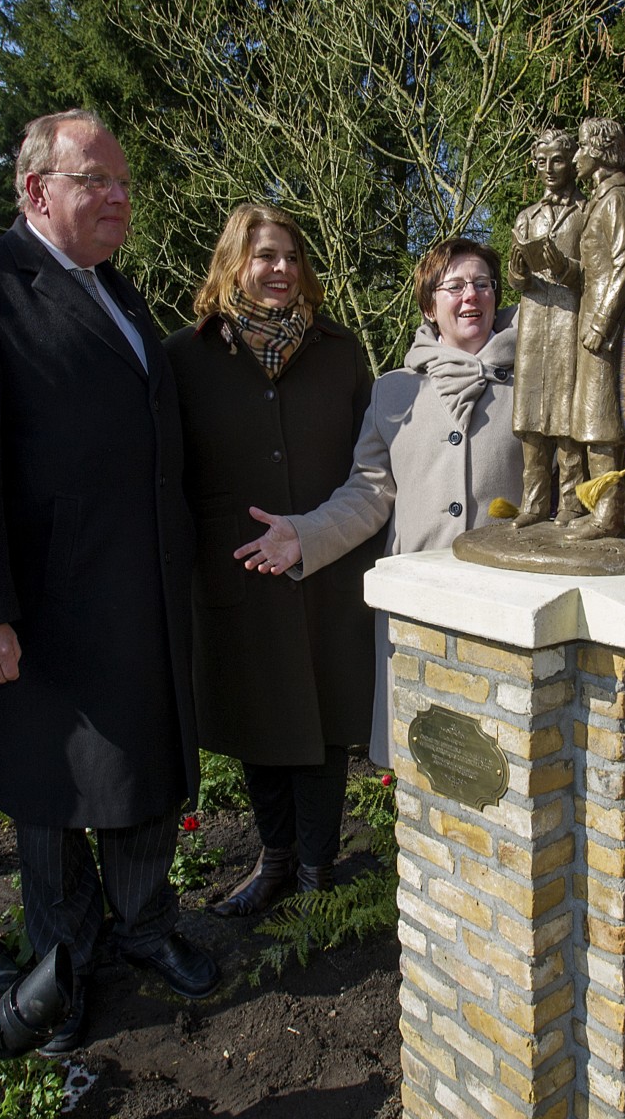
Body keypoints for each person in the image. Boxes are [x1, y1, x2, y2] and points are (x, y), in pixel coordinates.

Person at [0, 109, 215, 1054]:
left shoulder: (118, 292)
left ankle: (145, 923)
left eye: (123, 182)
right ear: (38, 190)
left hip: (140, 593)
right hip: (44, 605)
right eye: (97, 181)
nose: (119, 197)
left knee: (144, 769)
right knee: (56, 791)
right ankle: (60, 967)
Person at [163, 203, 378, 918]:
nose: (281, 270)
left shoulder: (340, 352)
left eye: (290, 256)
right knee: (260, 721)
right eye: (264, 257)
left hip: (326, 571)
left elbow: (368, 467)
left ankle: (318, 869)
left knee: (322, 725)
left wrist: (322, 534)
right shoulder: (185, 358)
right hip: (234, 575)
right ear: (235, 263)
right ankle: (276, 860)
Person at [234, 237, 523, 766]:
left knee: (507, 759)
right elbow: (368, 493)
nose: (470, 297)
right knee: (429, 758)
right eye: (454, 286)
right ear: (429, 305)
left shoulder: (539, 383)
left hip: (510, 605)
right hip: (419, 609)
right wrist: (304, 535)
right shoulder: (393, 392)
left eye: (482, 284)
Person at [507, 130, 588, 528]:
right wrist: (518, 272)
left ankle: (572, 505)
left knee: (568, 420)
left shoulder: (587, 213)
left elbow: (596, 274)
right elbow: (515, 277)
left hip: (570, 324)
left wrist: (564, 268)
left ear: (573, 161)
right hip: (535, 326)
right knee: (531, 423)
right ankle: (534, 505)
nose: (549, 170)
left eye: (557, 160)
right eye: (542, 161)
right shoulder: (526, 216)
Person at [568, 117, 625, 540]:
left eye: (581, 147)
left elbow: (624, 260)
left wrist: (601, 322)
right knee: (590, 419)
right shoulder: (602, 197)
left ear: (598, 149)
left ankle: (609, 517)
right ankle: (601, 509)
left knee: (601, 424)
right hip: (591, 315)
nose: (576, 156)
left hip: (603, 323)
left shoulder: (617, 198)